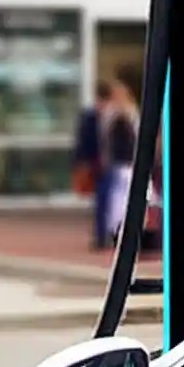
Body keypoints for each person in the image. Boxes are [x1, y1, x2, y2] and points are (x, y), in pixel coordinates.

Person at [74, 81, 113, 249]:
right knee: (101, 200)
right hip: (95, 164)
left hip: (111, 163)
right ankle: (101, 235)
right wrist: (81, 162)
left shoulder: (112, 116)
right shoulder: (90, 117)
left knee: (109, 200)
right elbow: (83, 141)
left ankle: (107, 233)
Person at [103, 80, 140, 241]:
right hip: (118, 160)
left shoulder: (132, 111)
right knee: (116, 198)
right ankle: (115, 229)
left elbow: (138, 132)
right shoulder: (111, 112)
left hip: (129, 159)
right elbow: (105, 135)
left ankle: (132, 228)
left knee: (129, 195)